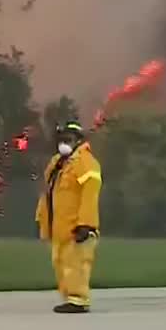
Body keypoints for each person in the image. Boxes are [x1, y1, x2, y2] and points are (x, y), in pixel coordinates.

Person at [35, 121, 103, 314]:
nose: (64, 143)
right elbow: (48, 194)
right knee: (61, 263)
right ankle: (70, 299)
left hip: (77, 229)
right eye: (62, 139)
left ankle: (78, 300)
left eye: (68, 139)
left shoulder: (85, 162)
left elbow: (90, 194)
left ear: (78, 140)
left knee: (76, 264)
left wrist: (85, 224)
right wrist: (42, 220)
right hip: (60, 228)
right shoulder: (58, 163)